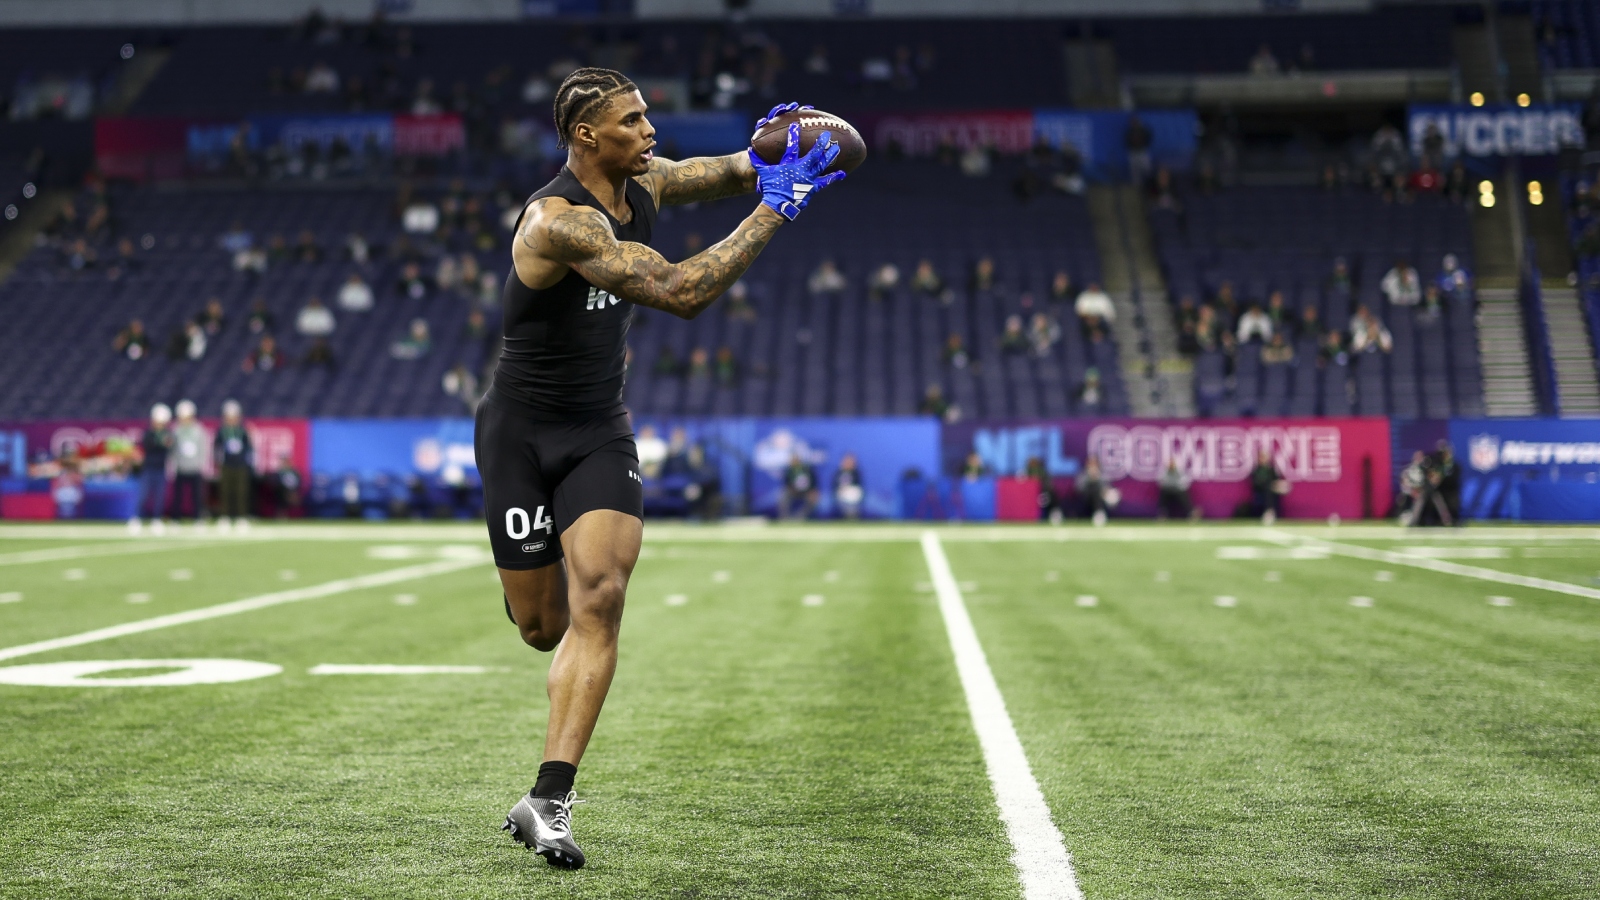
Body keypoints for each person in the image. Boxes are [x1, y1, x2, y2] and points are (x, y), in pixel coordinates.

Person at [479, 79, 846, 870]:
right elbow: (680, 291)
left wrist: (771, 152)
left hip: (598, 429)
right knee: (542, 626)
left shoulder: (644, 178)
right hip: (518, 433)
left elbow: (717, 169)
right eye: (632, 121)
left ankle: (547, 798)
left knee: (602, 596)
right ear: (585, 136)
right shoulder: (560, 222)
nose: (651, 130)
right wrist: (777, 207)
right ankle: (530, 582)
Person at [131, 403, 175, 534]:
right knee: (143, 495)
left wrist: (163, 443)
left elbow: (169, 446)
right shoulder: (148, 433)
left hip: (160, 468)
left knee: (159, 496)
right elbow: (149, 445)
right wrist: (161, 442)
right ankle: (136, 518)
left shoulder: (168, 433)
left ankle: (156, 519)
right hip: (148, 468)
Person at [214, 400, 253, 531]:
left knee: (241, 491)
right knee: (226, 491)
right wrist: (217, 463)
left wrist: (248, 463)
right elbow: (217, 448)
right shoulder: (222, 431)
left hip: (240, 465)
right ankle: (225, 516)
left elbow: (249, 448)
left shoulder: (242, 431)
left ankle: (241, 516)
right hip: (226, 465)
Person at [171, 399, 206, 524]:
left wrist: (200, 463)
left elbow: (202, 448)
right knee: (178, 496)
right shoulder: (176, 430)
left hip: (194, 467)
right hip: (181, 466)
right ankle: (176, 519)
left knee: (196, 496)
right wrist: (174, 463)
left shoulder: (198, 430)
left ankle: (197, 518)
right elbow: (173, 449)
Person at [1250, 447, 1288, 525]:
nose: (1263, 459)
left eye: (1265, 457)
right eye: (1261, 457)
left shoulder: (1271, 470)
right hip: (1262, 491)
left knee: (1271, 490)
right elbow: (1256, 483)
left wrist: (1276, 485)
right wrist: (1268, 485)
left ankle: (1269, 512)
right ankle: (1269, 512)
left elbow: (1276, 480)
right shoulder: (1257, 470)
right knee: (1268, 490)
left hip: (1272, 491)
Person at [779, 452, 820, 520]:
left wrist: (812, 491)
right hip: (793, 492)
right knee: (783, 496)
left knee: (814, 498)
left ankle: (799, 517)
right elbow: (787, 483)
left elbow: (813, 481)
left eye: (795, 459)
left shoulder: (806, 469)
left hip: (806, 492)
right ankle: (785, 518)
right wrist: (792, 490)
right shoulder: (789, 471)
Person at [1075, 456, 1108, 526]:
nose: (1093, 466)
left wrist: (1097, 478)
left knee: (1097, 490)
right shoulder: (1083, 475)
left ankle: (1099, 513)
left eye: (1094, 464)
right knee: (1093, 489)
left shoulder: (1102, 476)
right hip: (1086, 501)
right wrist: (1090, 479)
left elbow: (1106, 488)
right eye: (1091, 464)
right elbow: (1078, 489)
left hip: (1100, 502)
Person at [832, 452, 864, 520]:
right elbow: (835, 486)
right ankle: (848, 516)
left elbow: (858, 487)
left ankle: (852, 516)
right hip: (841, 494)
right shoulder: (839, 473)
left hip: (853, 495)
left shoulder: (856, 473)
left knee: (854, 495)